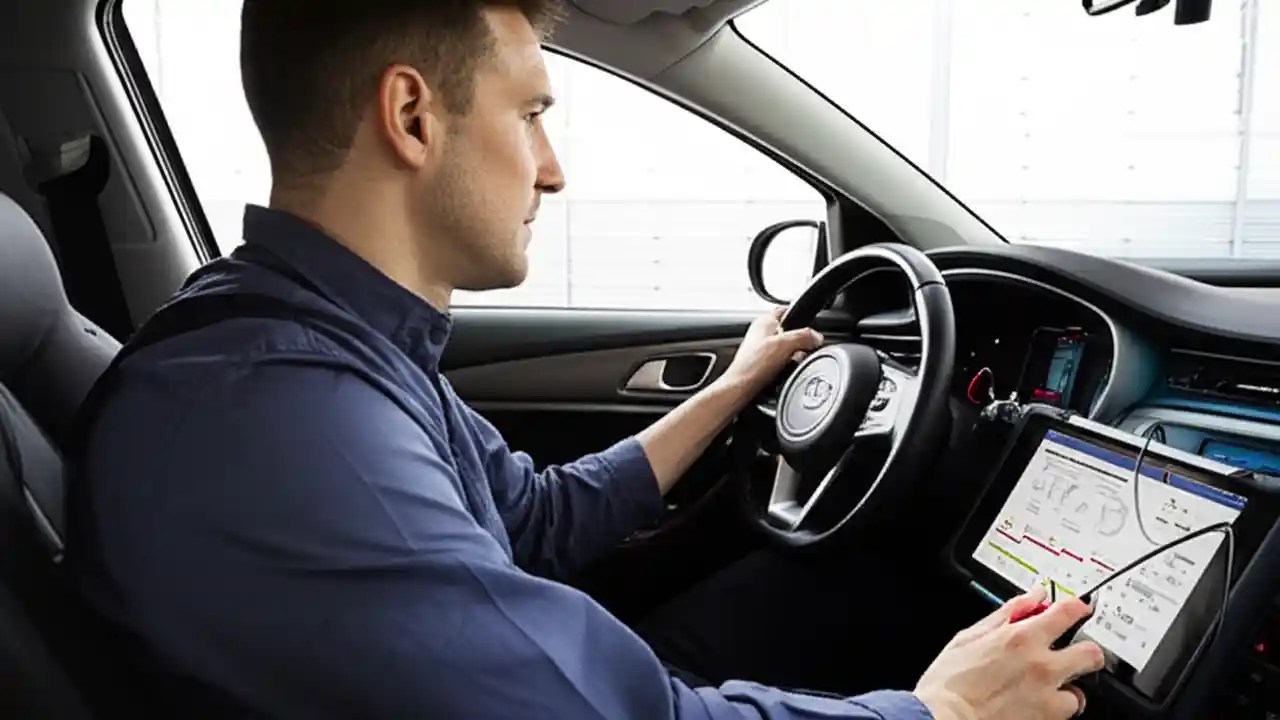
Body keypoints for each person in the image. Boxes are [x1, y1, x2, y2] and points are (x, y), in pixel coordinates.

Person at [69, 1, 1105, 718]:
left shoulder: (312, 337)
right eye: (529, 115)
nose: (552, 171)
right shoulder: (292, 429)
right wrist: (942, 712)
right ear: (412, 117)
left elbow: (530, 520)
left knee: (840, 590)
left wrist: (734, 389)